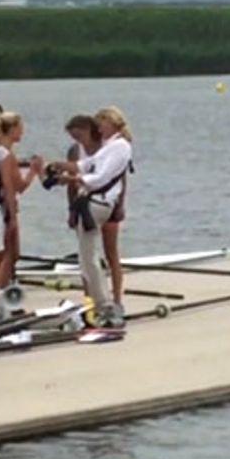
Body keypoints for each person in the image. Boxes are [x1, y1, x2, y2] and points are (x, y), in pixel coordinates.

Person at [58, 107, 133, 326]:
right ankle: (97, 303)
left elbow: (100, 178)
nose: (100, 128)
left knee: (95, 257)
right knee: (87, 258)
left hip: (100, 203)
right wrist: (59, 168)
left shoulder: (118, 146)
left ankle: (109, 305)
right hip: (91, 203)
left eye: (102, 124)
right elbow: (83, 166)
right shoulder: (108, 146)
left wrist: (72, 179)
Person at [0, 111, 43, 308]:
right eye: (20, 128)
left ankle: (2, 299)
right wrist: (12, 219)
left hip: (0, 207)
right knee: (6, 256)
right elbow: (15, 188)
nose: (22, 131)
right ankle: (0, 302)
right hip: (2, 211)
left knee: (9, 256)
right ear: (12, 129)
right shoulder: (6, 155)